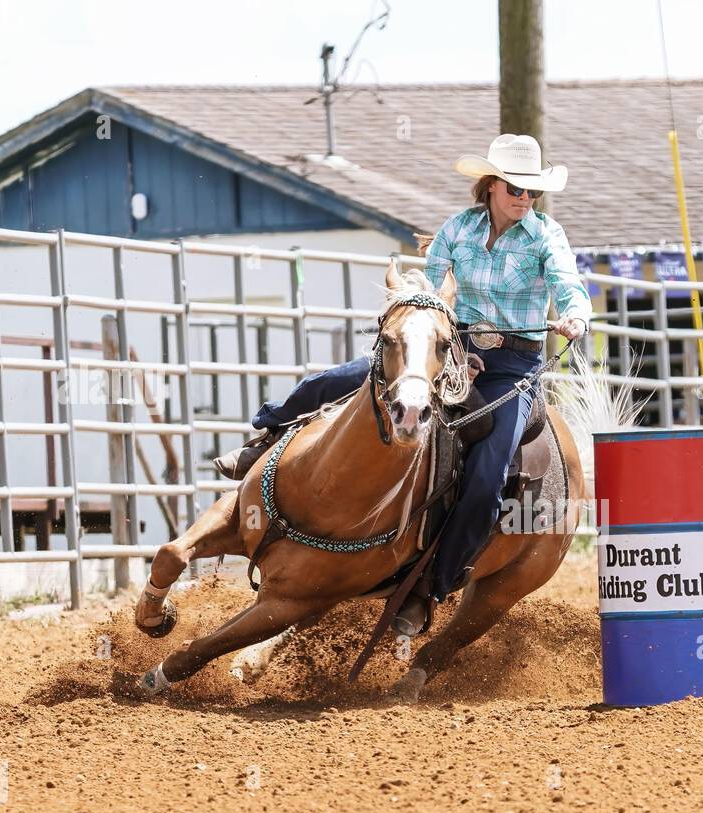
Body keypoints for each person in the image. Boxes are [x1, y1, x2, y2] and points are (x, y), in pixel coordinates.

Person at [213, 134, 592, 637]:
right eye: (517, 189)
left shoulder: (546, 236)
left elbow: (569, 285)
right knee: (331, 381)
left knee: (488, 469)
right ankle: (262, 441)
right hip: (447, 350)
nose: (526, 199)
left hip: (511, 370)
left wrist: (573, 316)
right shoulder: (458, 229)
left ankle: (429, 588)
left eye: (532, 192)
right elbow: (432, 294)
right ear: (493, 186)